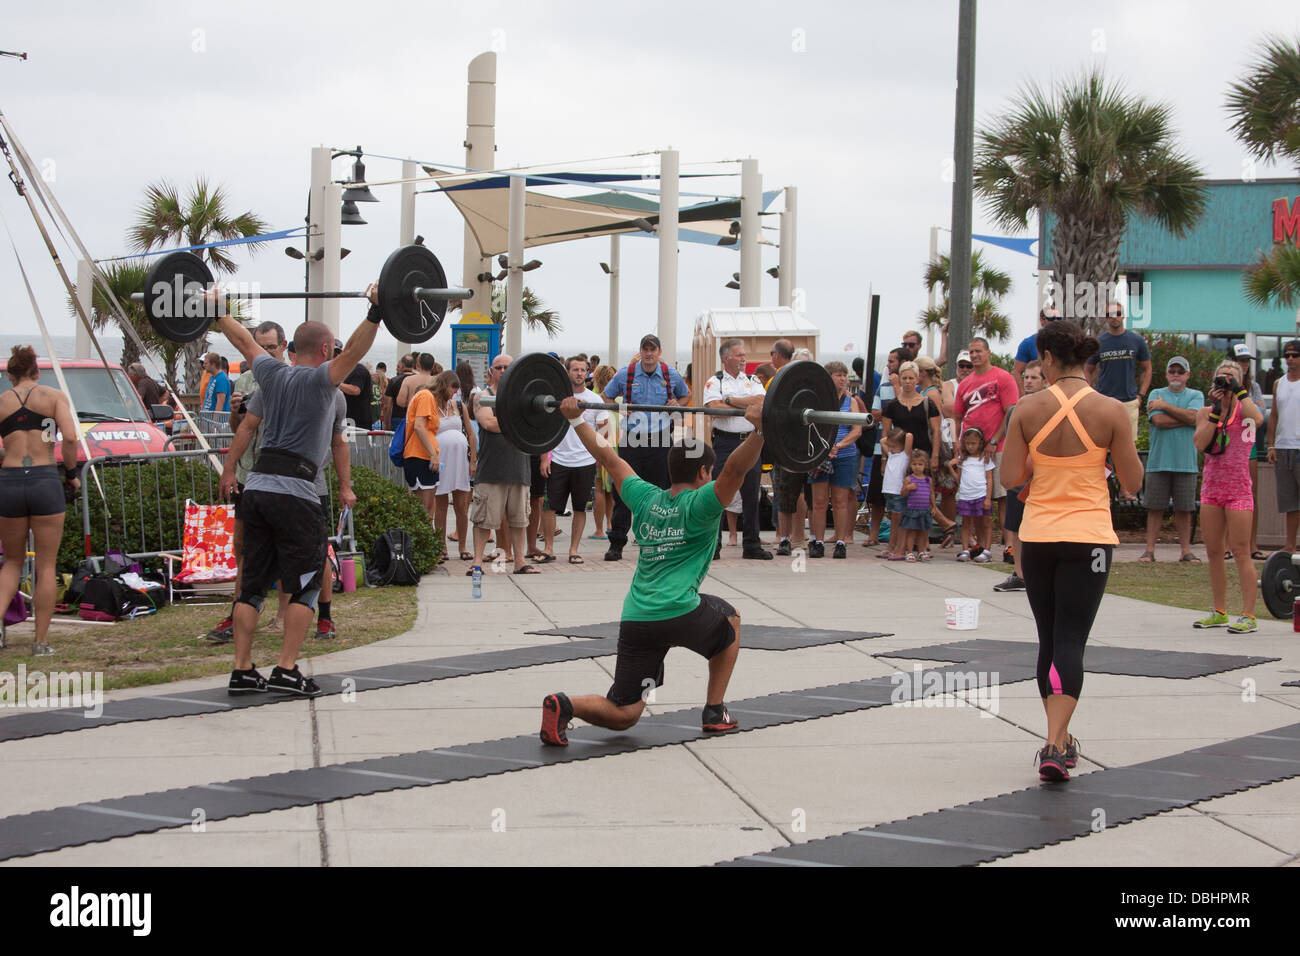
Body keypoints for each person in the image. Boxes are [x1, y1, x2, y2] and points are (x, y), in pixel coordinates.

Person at [538, 401, 766, 746]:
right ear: (704, 473)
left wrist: (573, 418)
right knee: (731, 618)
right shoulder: (702, 504)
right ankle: (715, 712)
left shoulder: (644, 498)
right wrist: (760, 431)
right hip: (681, 611)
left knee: (625, 713)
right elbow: (735, 472)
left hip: (638, 617)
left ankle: (565, 704)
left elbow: (609, 458)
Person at [212, 280, 383, 697]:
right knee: (306, 584)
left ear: (294, 347)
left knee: (252, 585)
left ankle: (242, 669)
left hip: (259, 488)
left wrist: (217, 311)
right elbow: (357, 352)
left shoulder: (270, 373)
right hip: (296, 492)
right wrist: (376, 310)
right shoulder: (322, 381)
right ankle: (286, 668)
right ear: (326, 351)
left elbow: (243, 341)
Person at [1001, 318, 1144, 782]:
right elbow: (1132, 482)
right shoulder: (1110, 411)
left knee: (1050, 637)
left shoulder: (1026, 409)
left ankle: (1059, 741)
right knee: (1072, 640)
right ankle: (1054, 743)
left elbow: (1009, 479)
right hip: (1090, 538)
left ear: (1046, 358)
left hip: (1038, 536)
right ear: (1086, 359)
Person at [208, 320, 291, 644]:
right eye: (260, 347)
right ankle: (237, 611)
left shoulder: (290, 378)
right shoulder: (245, 378)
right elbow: (239, 427)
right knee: (241, 546)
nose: (266, 353)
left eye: (271, 348)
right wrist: (234, 412)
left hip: (281, 475)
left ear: (284, 347)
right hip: (248, 472)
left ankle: (283, 615)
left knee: (284, 550)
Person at [0, 346, 79, 655]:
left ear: (10, 375)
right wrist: (71, 474)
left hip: (10, 480)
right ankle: (41, 642)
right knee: (46, 565)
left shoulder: (3, 402)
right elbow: (69, 438)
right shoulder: (53, 397)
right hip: (45, 478)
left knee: (12, 563)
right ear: (37, 371)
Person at [602, 334, 689, 561]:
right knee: (624, 490)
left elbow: (686, 395)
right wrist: (619, 409)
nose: (649, 354)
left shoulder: (670, 374)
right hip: (632, 439)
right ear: (640, 351)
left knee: (661, 493)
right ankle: (617, 543)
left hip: (661, 440)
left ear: (659, 352)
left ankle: (657, 541)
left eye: (653, 349)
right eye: (645, 349)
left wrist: (676, 404)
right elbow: (606, 396)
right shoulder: (626, 374)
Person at [1192, 362, 1264, 633]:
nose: (1226, 384)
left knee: (1242, 551)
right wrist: (1217, 413)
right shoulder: (1205, 412)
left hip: (1238, 490)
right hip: (1212, 489)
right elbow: (1200, 443)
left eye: (1231, 379)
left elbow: (1258, 419)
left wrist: (1240, 392)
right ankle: (1219, 610)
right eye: (1222, 379)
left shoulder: (1246, 411)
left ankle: (1248, 613)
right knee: (1214, 552)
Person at [470, 354, 539, 576]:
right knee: (483, 521)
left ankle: (519, 561)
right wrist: (518, 423)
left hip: (519, 469)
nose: (502, 371)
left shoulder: (524, 397)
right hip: (491, 471)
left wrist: (514, 424)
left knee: (519, 521)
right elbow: (488, 423)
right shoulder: (483, 396)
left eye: (506, 367)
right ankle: (477, 562)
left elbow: (536, 427)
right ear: (491, 371)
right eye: (498, 367)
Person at [703, 338, 772, 560]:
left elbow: (761, 402)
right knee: (718, 491)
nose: (744, 359)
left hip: (750, 440)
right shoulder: (715, 381)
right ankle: (714, 545)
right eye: (739, 355)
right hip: (724, 442)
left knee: (752, 493)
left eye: (744, 355)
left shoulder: (752, 380)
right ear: (726, 358)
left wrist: (731, 400)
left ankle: (751, 544)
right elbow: (713, 408)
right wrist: (746, 404)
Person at [955, 338, 1018, 562]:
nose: (974, 356)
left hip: (998, 447)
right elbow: (958, 416)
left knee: (1002, 497)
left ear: (988, 352)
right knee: (976, 502)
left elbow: (1010, 412)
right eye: (971, 352)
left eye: (978, 351)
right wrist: (959, 445)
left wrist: (994, 440)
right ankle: (979, 546)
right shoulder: (965, 384)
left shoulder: (1003, 378)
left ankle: (1009, 545)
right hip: (971, 451)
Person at [540, 357, 607, 564]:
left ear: (587, 373)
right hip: (558, 459)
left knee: (579, 507)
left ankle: (573, 550)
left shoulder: (594, 399)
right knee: (549, 507)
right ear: (567, 371)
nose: (579, 373)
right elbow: (545, 430)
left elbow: (604, 430)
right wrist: (544, 458)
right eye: (575, 369)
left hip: (585, 461)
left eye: (583, 370)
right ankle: (548, 548)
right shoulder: (556, 398)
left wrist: (600, 457)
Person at [1139, 356, 1204, 565]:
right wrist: (1184, 418)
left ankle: (1186, 551)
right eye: (1172, 371)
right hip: (1159, 461)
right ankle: (1149, 551)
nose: (1176, 375)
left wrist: (1164, 407)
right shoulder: (1156, 393)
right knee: (1154, 508)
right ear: (1167, 374)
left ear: (1187, 375)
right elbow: (1158, 420)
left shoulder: (1196, 395)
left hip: (1186, 462)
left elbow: (1196, 418)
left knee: (1184, 509)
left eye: (1180, 371)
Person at [994, 359, 1046, 590]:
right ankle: (1020, 574)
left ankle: (1041, 574)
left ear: (1045, 381)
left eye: (1034, 377)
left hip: (1044, 476)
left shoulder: (1050, 407)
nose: (1028, 381)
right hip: (1020, 477)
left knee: (1041, 527)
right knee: (1016, 527)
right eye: (1026, 377)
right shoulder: (1015, 410)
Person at [806, 360, 865, 559]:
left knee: (840, 501)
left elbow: (857, 430)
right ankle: (818, 541)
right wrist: (824, 447)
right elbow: (810, 427)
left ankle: (840, 541)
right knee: (819, 501)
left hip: (844, 455)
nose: (842, 379)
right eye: (838, 375)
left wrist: (838, 446)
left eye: (844, 375)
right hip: (820, 455)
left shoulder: (852, 401)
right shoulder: (818, 400)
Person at [1085, 301, 1151, 441]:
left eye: (1118, 314)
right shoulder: (1099, 342)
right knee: (1101, 444)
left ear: (1123, 316)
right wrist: (1091, 394)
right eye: (1110, 314)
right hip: (1104, 402)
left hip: (1129, 401)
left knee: (1128, 445)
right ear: (1106, 318)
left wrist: (1141, 396)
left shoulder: (1137, 340)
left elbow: (1147, 368)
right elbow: (1087, 369)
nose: (1114, 317)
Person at [432, 370, 475, 561]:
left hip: (460, 461)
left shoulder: (459, 406)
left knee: (462, 506)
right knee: (440, 506)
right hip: (441, 461)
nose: (453, 393)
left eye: (456, 389)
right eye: (452, 388)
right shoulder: (431, 405)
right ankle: (441, 547)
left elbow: (471, 434)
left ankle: (463, 546)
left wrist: (473, 460)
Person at [1232, 344, 1267, 560]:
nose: (1244, 365)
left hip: (1249, 441)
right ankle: (1228, 545)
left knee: (1250, 495)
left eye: (1246, 361)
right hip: (1229, 441)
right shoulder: (1223, 383)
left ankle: (1252, 544)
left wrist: (1243, 401)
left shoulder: (1253, 387)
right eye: (1240, 360)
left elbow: (1260, 413)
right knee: (1226, 494)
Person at [1268, 340, 1300, 554]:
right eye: (1287, 355)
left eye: (1295, 355)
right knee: (1290, 501)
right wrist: (1271, 445)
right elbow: (1274, 415)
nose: (1290, 358)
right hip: (1283, 446)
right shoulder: (1279, 383)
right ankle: (1290, 545)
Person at [951, 427, 994, 562]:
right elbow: (958, 479)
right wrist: (950, 467)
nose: (970, 446)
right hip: (965, 495)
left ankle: (987, 550)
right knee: (966, 524)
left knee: (985, 522)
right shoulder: (963, 459)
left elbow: (989, 479)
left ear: (980, 443)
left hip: (980, 494)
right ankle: (965, 550)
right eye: (967, 443)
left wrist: (988, 498)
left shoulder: (984, 459)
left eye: (973, 443)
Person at [403, 377, 441, 521]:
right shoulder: (426, 396)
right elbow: (419, 426)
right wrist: (433, 454)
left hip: (418, 455)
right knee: (423, 508)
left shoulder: (421, 396)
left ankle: (421, 538)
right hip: (420, 455)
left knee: (425, 507)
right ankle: (419, 539)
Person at [588, 364, 617, 540]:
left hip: (599, 445)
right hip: (616, 446)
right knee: (612, 490)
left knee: (599, 488)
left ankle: (599, 529)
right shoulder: (618, 400)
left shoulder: (595, 399)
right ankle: (610, 524)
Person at [876, 428, 910, 561]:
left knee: (900, 520)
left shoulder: (905, 455)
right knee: (893, 520)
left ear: (902, 445)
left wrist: (901, 435)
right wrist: (892, 440)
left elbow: (909, 436)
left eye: (894, 446)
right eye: (890, 446)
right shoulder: (892, 454)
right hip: (889, 491)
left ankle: (899, 547)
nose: (890, 448)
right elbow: (882, 440)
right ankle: (891, 546)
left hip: (898, 491)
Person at [1012, 306, 1062, 394]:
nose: (1056, 321)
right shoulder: (1028, 343)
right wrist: (1023, 395)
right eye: (1051, 318)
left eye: (1059, 318)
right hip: (1036, 395)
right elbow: (1017, 372)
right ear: (1042, 320)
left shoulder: (1068, 342)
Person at [898, 451, 935, 562]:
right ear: (910, 465)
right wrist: (908, 488)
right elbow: (902, 493)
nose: (917, 467)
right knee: (911, 531)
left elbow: (931, 493)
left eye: (920, 464)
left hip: (924, 510)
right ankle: (909, 552)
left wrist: (934, 507)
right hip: (912, 509)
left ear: (925, 466)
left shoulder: (928, 480)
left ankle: (921, 551)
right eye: (914, 464)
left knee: (923, 532)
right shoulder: (909, 479)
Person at [200, 351, 232, 432]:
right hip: (207, 419)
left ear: (213, 364)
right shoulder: (212, 377)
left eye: (206, 363)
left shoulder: (221, 379)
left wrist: (214, 423)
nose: (203, 365)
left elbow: (220, 401)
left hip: (219, 422)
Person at [381, 354, 414, 430]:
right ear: (414, 365)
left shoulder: (394, 381)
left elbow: (387, 406)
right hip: (414, 418)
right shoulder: (418, 380)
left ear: (402, 365)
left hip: (397, 419)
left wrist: (386, 424)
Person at [339, 357, 373, 431]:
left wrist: (336, 383)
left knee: (355, 441)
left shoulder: (358, 370)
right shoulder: (342, 371)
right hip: (346, 419)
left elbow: (355, 390)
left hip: (357, 421)